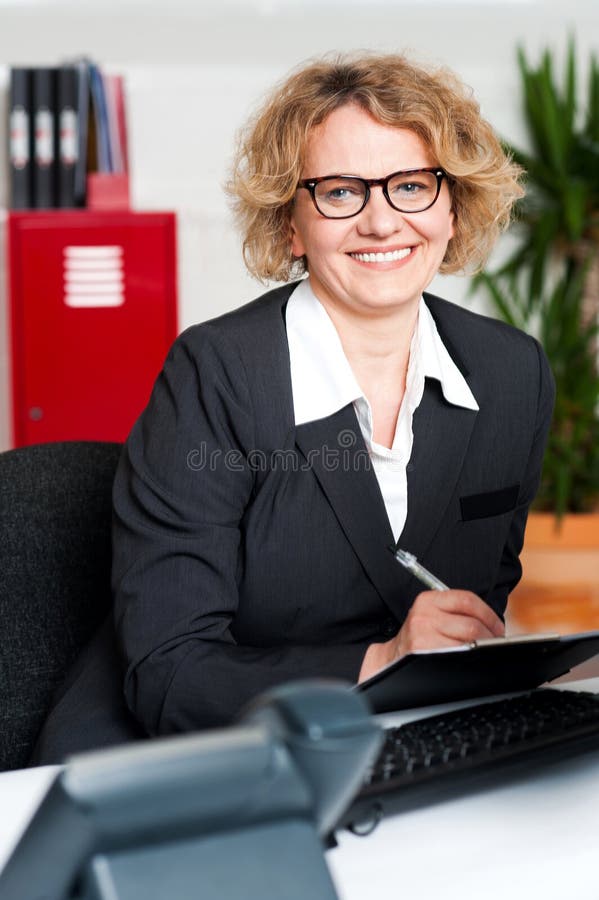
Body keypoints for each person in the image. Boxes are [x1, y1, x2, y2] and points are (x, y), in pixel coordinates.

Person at [33, 52, 554, 758]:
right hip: (175, 763)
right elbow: (169, 672)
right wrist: (382, 662)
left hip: (388, 751)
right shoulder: (217, 373)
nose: (379, 222)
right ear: (288, 225)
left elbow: (470, 617)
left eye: (410, 185)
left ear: (453, 206)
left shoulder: (508, 373)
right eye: (340, 192)